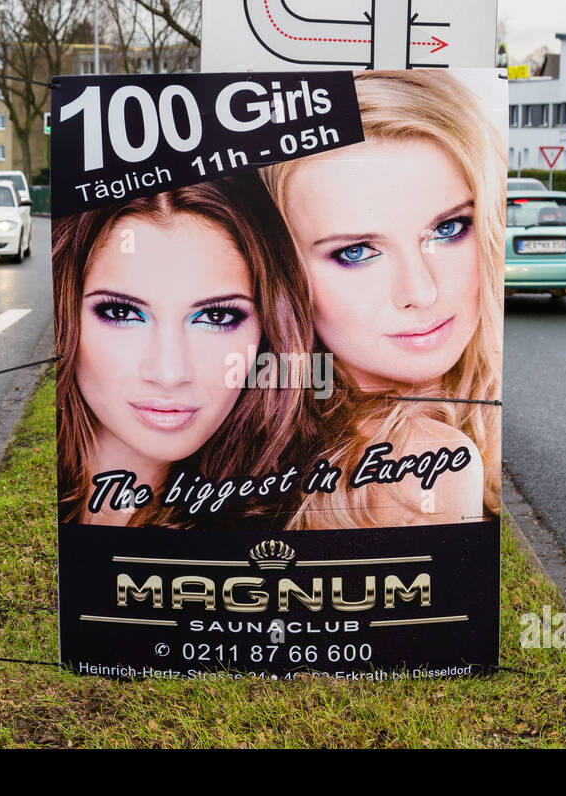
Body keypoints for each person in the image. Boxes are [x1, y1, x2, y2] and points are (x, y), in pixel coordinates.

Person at [261, 70, 505, 528]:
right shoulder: (427, 468)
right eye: (356, 252)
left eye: (448, 228)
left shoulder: (482, 413)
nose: (420, 291)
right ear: (284, 273)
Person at [53, 172, 317, 528]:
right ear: (65, 315)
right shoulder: (26, 512)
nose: (170, 373)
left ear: (269, 331)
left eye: (215, 316)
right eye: (122, 313)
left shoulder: (301, 519)